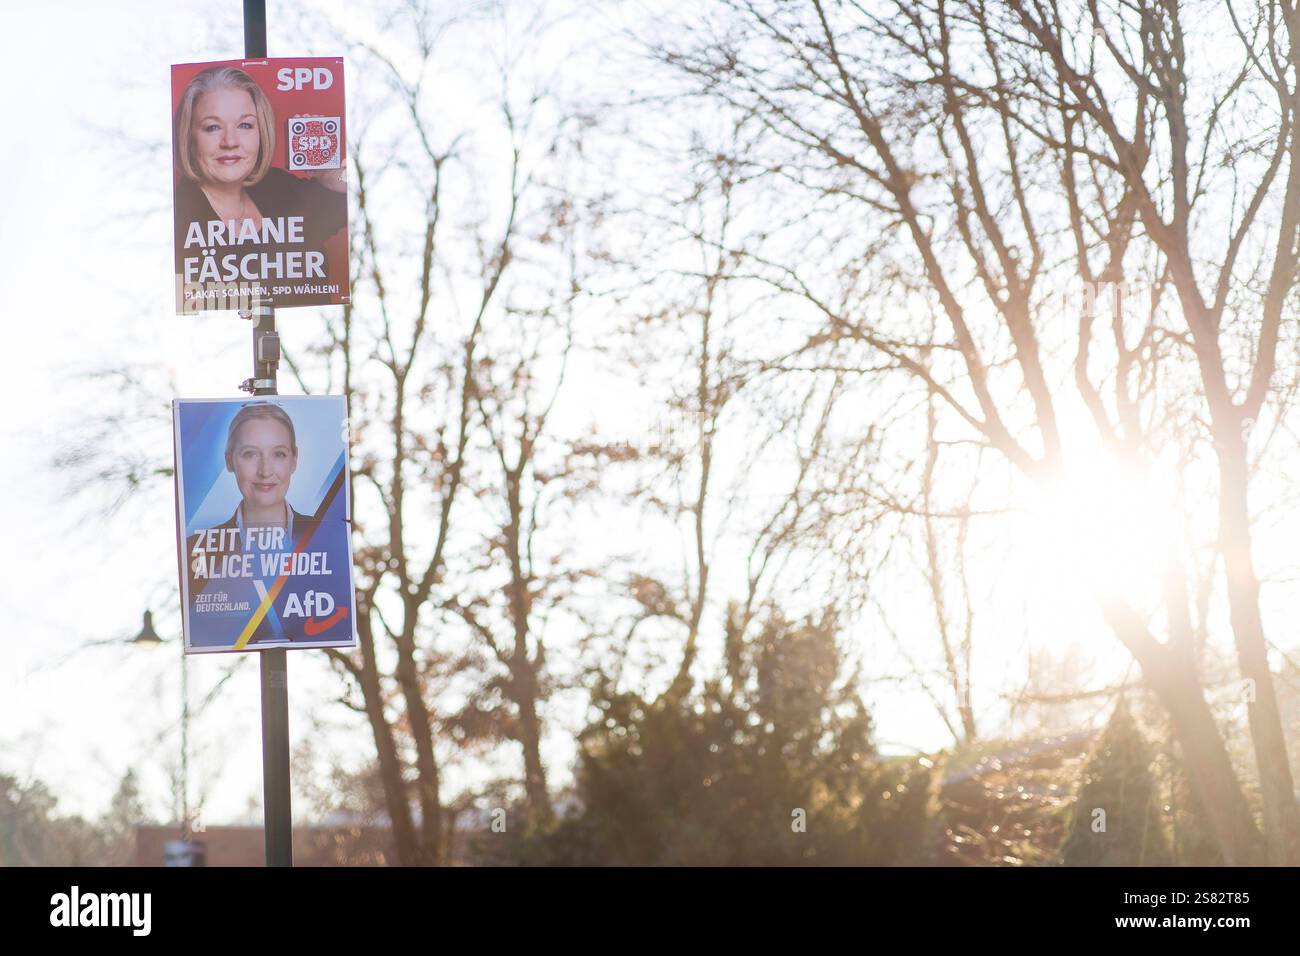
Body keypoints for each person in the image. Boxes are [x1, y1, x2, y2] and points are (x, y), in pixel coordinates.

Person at [172, 66, 346, 308]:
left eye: (245, 126)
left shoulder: (276, 187)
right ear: (189, 138)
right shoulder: (179, 216)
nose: (230, 142)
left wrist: (327, 171)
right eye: (213, 127)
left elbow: (338, 207)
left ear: (261, 132)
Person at [185, 403, 320, 643]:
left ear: (294, 460)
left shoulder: (323, 539)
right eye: (250, 454)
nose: (265, 470)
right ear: (229, 460)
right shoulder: (198, 550)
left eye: (278, 454)